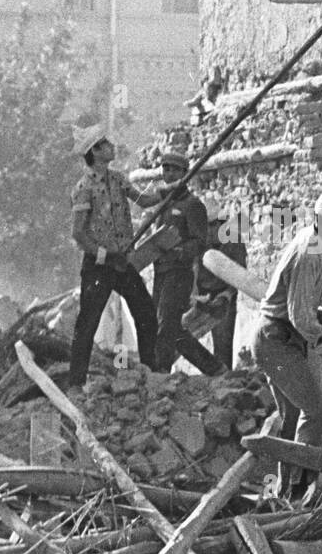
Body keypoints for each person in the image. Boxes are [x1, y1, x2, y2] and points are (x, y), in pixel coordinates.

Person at [252, 187, 322, 498]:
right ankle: (297, 487)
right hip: (277, 341)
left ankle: (285, 490)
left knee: (294, 417)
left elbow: (321, 296)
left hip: (294, 340)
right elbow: (301, 317)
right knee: (316, 412)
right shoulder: (308, 252)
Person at [67, 125, 168, 388]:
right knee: (88, 323)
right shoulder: (84, 187)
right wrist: (105, 255)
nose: (112, 146)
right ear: (95, 151)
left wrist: (168, 192)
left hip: (121, 262)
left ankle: (149, 370)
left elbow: (143, 201)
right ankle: (75, 383)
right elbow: (78, 233)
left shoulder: (118, 179)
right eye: (106, 144)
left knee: (145, 313)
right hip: (99, 265)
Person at [150, 152, 224, 375]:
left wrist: (178, 250)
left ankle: (160, 372)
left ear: (185, 173)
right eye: (165, 168)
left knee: (166, 324)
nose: (168, 173)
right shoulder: (164, 203)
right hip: (161, 271)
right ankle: (214, 368)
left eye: (174, 169)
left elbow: (200, 243)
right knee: (169, 327)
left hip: (179, 272)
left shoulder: (192, 205)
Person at [194, 195, 246, 369]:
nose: (209, 230)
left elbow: (240, 275)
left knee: (223, 343)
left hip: (224, 295)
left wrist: (226, 296)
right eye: (205, 226)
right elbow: (192, 270)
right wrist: (195, 295)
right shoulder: (198, 240)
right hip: (200, 293)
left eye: (213, 225)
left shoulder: (235, 240)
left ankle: (223, 380)